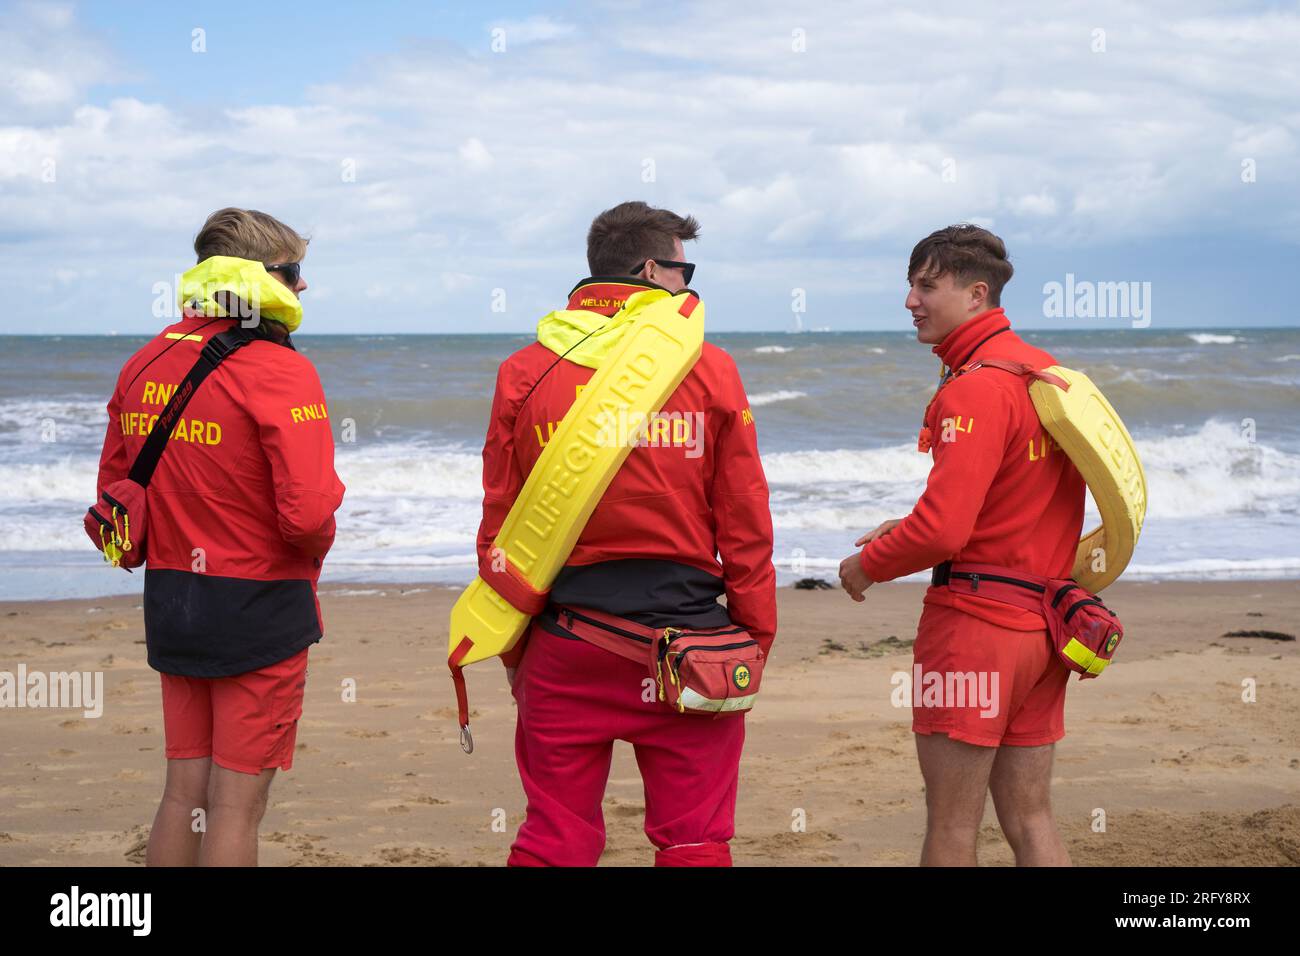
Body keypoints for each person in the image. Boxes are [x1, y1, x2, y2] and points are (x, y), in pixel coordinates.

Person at [476, 200, 777, 866]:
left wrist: (515, 647)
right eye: (683, 268)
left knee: (555, 838)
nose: (688, 286)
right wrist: (756, 634)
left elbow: (499, 526)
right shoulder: (709, 367)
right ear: (651, 269)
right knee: (695, 840)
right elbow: (746, 522)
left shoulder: (526, 371)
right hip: (690, 641)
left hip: (566, 640)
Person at [92, 207, 345, 866]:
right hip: (258, 604)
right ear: (262, 277)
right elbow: (310, 515)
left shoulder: (145, 360)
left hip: (173, 600)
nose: (305, 288)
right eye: (295, 273)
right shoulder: (280, 368)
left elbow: (117, 501)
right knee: (236, 806)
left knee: (184, 794)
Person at [838, 224, 1085, 866]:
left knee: (952, 827)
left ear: (976, 294)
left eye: (927, 286)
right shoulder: (1048, 376)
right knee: (1032, 819)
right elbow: (1013, 500)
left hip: (975, 628)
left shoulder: (974, 386)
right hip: (1045, 627)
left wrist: (868, 565)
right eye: (910, 285)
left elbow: (946, 530)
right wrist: (908, 524)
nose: (911, 301)